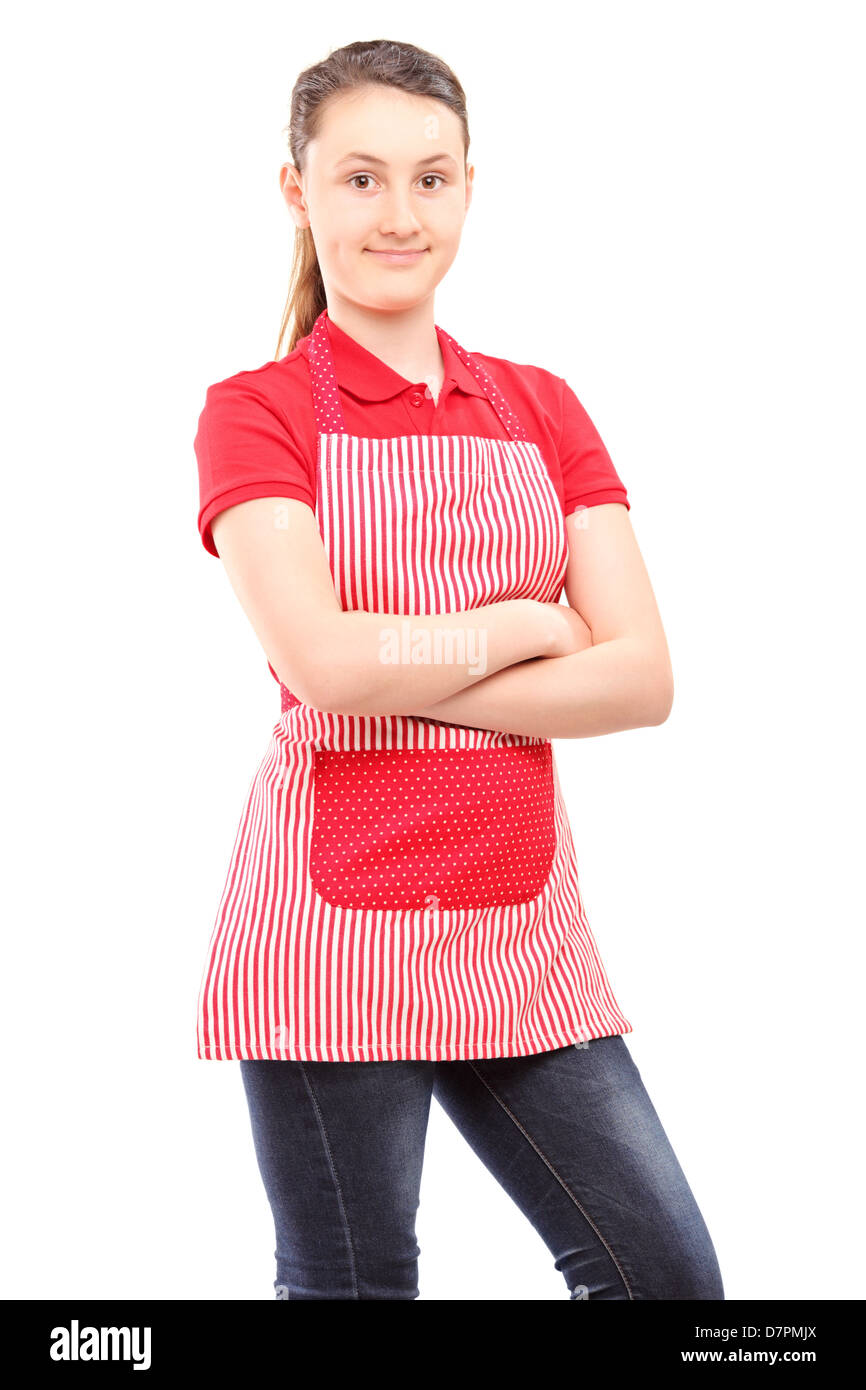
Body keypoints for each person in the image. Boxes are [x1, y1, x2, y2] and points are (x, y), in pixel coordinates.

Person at [193, 38, 724, 1302]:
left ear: (469, 189)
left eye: (430, 180)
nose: (398, 213)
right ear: (297, 191)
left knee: (668, 1286)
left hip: (517, 920)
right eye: (361, 178)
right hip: (331, 925)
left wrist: (381, 665)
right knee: (353, 1285)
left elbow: (641, 679)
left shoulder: (539, 406)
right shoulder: (254, 410)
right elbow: (317, 662)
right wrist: (513, 628)